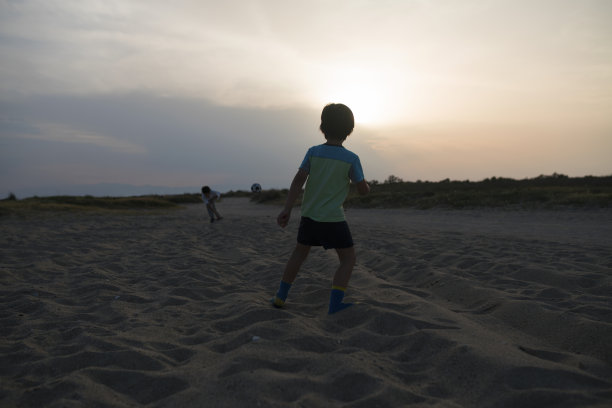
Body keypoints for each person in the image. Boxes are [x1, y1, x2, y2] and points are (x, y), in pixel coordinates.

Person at [271, 103, 370, 314]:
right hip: (333, 219)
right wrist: (365, 186)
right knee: (348, 258)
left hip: (309, 216)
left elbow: (298, 181)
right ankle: (335, 304)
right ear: (350, 130)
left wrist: (287, 208)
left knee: (299, 254)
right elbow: (363, 190)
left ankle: (280, 296)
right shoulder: (351, 159)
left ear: (322, 127)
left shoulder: (313, 152)